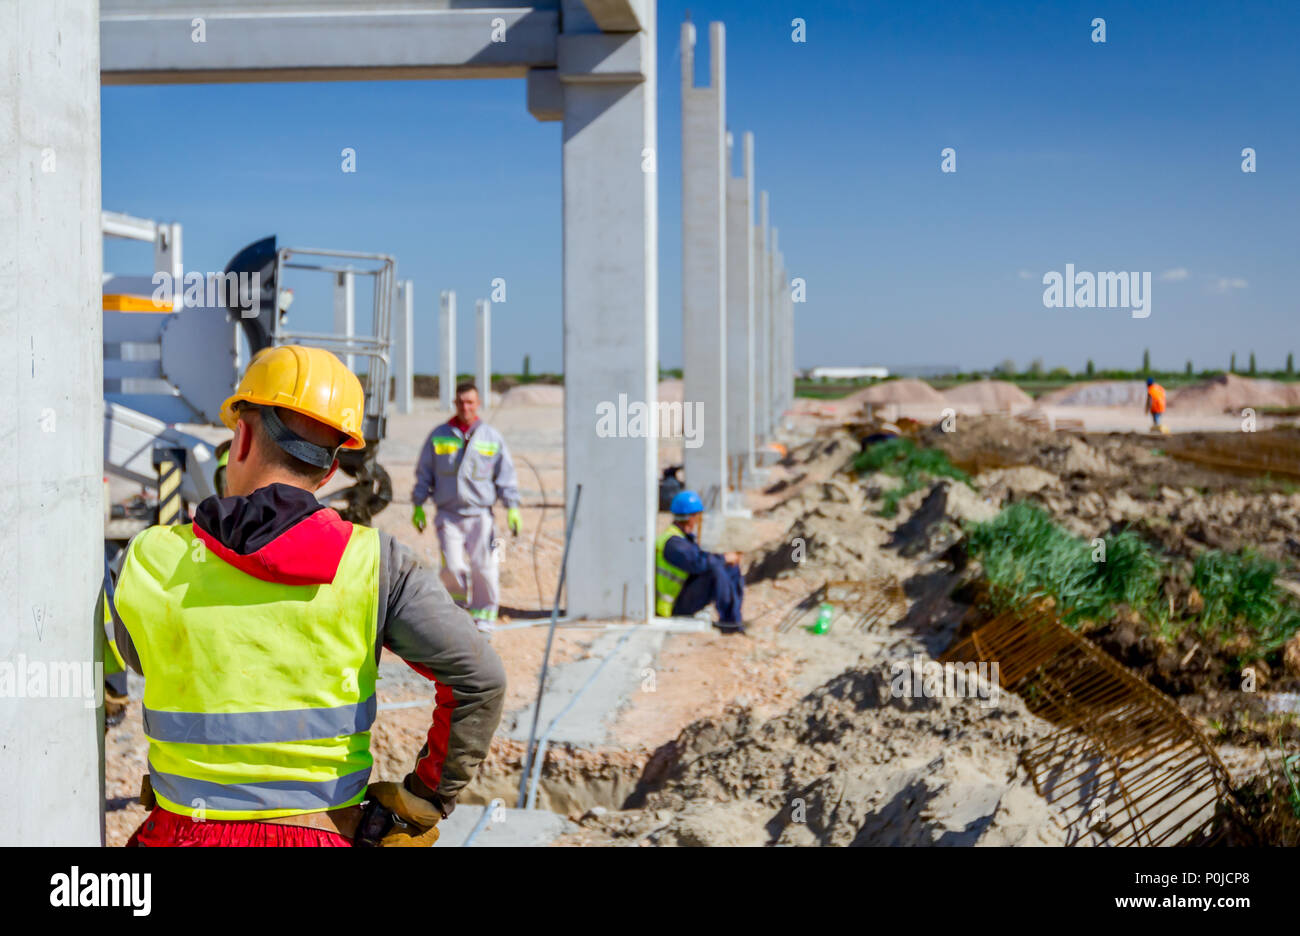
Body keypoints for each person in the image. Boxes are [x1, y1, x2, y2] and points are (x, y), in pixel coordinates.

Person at [106, 345, 505, 847]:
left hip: (182, 835)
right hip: (322, 836)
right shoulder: (376, 563)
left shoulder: (148, 559)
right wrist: (425, 798)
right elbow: (480, 680)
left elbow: (127, 660)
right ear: (331, 468)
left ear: (243, 436)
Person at [411, 382, 521, 634]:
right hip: (449, 515)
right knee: (452, 567)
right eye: (461, 402)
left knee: (485, 567)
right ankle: (457, 616)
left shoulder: (491, 437)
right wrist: (418, 504)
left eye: (470, 402)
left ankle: (484, 619)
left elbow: (505, 475)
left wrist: (512, 507)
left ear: (478, 404)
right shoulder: (439, 435)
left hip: (481, 515)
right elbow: (425, 472)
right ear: (455, 403)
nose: (465, 407)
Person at [655, 490, 746, 634]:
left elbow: (700, 558)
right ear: (691, 517)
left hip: (682, 596)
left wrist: (726, 560)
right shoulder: (673, 543)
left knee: (729, 568)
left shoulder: (681, 538)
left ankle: (734, 620)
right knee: (714, 568)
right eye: (697, 516)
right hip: (672, 606)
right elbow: (698, 563)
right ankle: (730, 624)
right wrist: (723, 558)